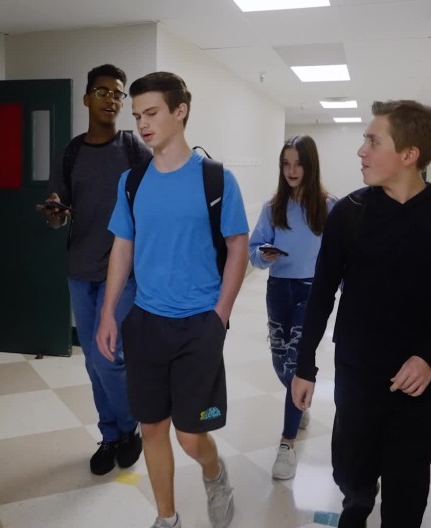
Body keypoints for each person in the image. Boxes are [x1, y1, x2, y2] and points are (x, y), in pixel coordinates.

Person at [291, 100, 431, 527]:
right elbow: (322, 292)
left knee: (406, 491)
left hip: (421, 387)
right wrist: (304, 365)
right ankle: (357, 505)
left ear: (409, 154)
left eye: (372, 141)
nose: (361, 151)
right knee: (351, 473)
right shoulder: (350, 213)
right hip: (357, 377)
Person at [96, 72, 249, 528]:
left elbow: (238, 247)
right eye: (137, 115)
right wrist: (108, 312)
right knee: (152, 428)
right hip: (146, 321)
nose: (142, 124)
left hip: (199, 324)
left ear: (179, 111)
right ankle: (167, 517)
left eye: (152, 113)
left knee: (190, 436)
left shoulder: (216, 179)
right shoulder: (132, 181)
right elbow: (122, 247)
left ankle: (214, 473)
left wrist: (220, 315)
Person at [41, 63, 150, 475]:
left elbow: (153, 205)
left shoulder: (135, 150)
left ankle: (129, 425)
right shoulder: (70, 153)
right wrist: (55, 214)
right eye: (103, 92)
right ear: (86, 98)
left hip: (123, 273)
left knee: (108, 358)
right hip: (79, 269)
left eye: (118, 93)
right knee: (92, 360)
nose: (111, 99)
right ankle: (111, 433)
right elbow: (58, 213)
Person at [248, 135, 334, 480]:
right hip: (278, 290)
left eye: (298, 163)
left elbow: (340, 255)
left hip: (312, 292)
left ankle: (287, 443)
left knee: (298, 363)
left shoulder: (329, 206)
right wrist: (263, 254)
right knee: (280, 362)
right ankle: (299, 395)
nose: (292, 170)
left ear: (311, 166)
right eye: (286, 163)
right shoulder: (273, 207)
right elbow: (254, 251)